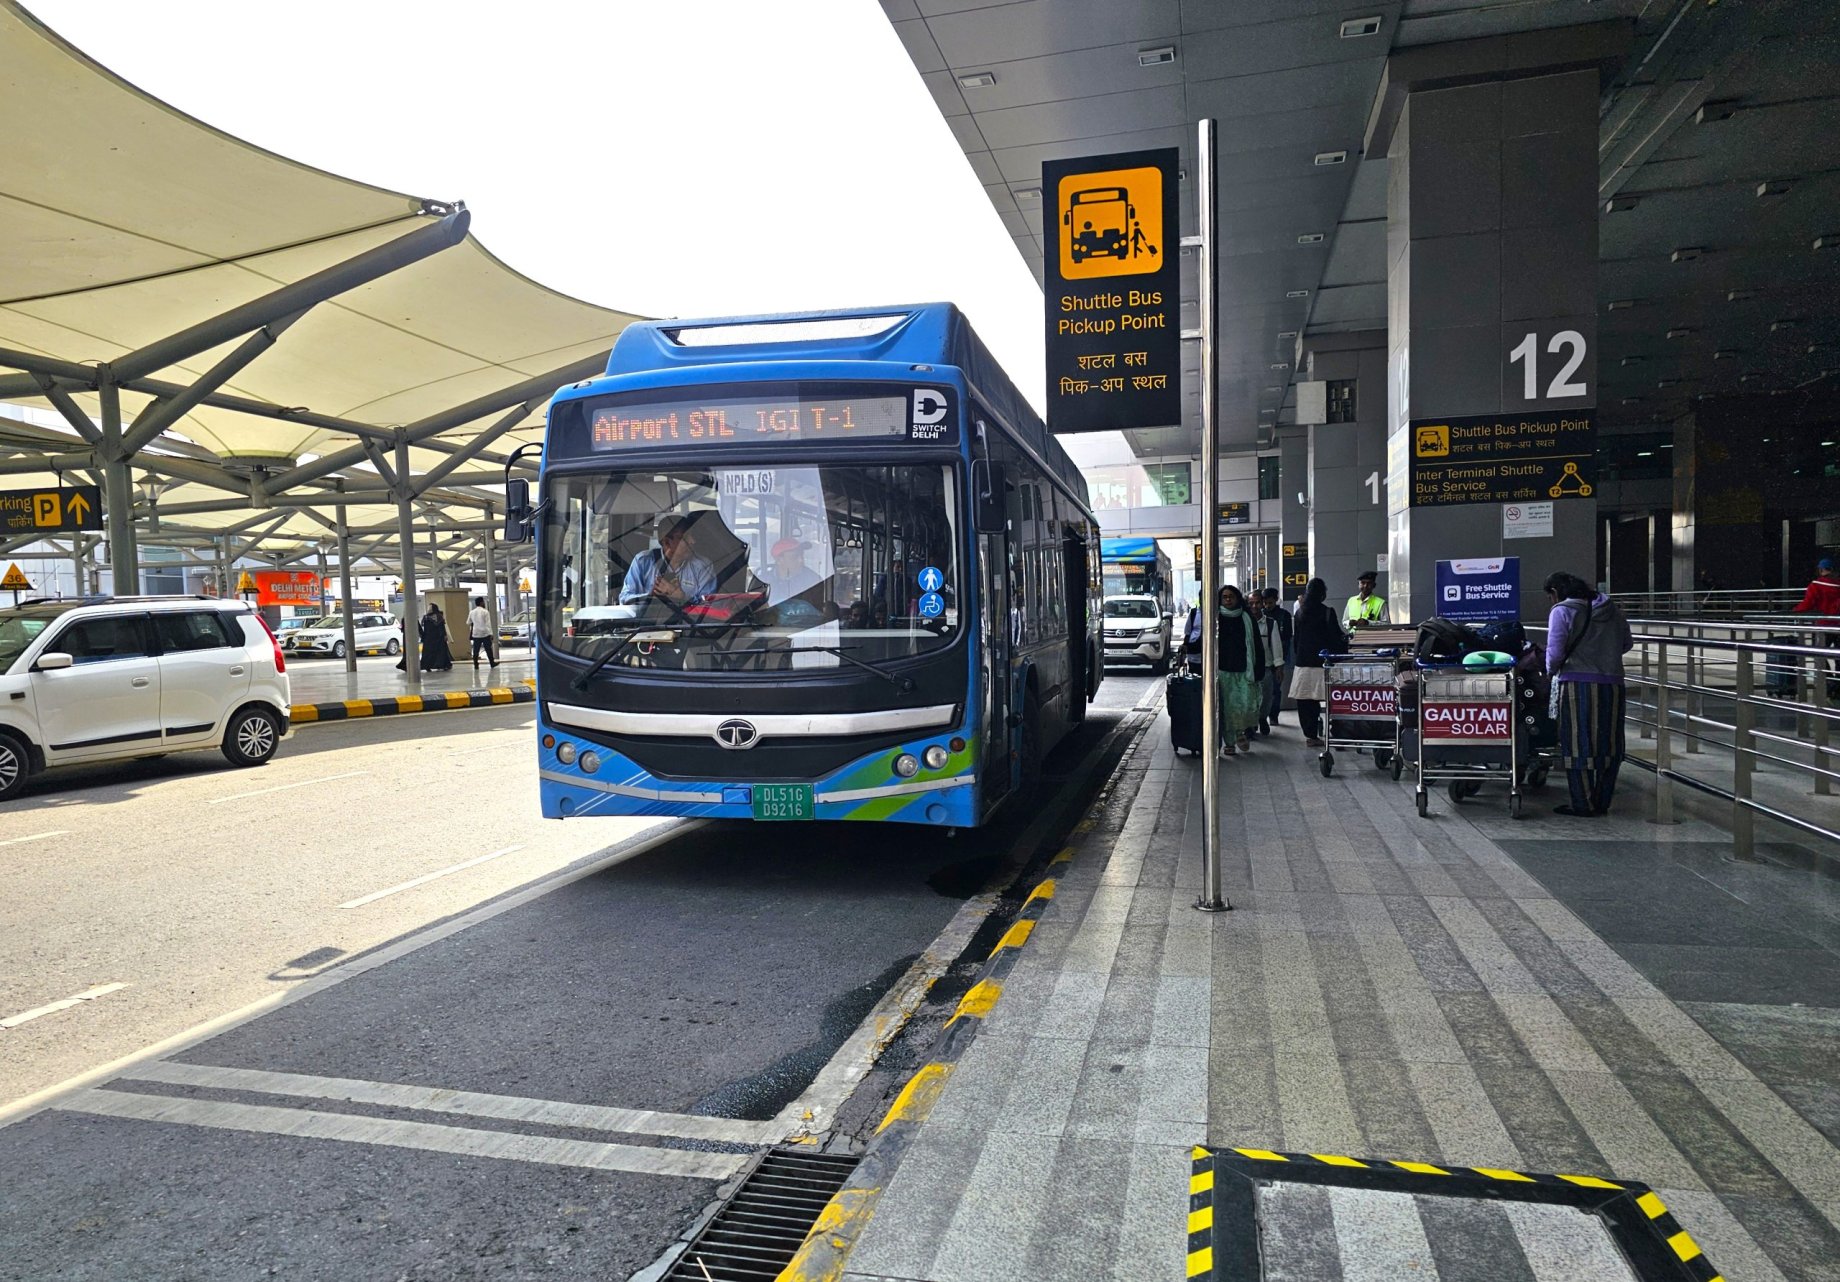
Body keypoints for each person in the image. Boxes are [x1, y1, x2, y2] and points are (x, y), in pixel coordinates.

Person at [1544, 570, 1635, 817]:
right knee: (1609, 743)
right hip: (1613, 684)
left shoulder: (1562, 611)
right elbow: (1627, 644)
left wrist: (1551, 672)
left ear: (1555, 592)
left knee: (1578, 742)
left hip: (1577, 683)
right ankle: (1602, 801)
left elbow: (1555, 653)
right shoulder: (1613, 611)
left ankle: (1582, 803)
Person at [1183, 585, 1265, 756]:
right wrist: (1188, 649)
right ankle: (1230, 741)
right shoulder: (1215, 618)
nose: (1228, 600)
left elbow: (1257, 645)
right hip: (1221, 671)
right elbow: (1203, 642)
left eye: (1231, 597)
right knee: (1225, 709)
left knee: (1242, 706)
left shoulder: (1246, 617)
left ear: (1237, 599)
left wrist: (1259, 669)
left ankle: (1240, 732)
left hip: (1243, 670)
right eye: (1225, 597)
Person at [1290, 579, 1346, 748]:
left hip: (1304, 664)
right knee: (1333, 699)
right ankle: (1337, 733)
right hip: (1324, 663)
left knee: (1306, 701)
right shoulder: (1328, 612)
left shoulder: (1299, 613)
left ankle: (1311, 735)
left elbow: (1296, 639)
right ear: (1323, 594)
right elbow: (1335, 637)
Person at [619, 515, 716, 606]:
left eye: (691, 536)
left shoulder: (703, 566)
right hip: (648, 623)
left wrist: (682, 597)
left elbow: (710, 605)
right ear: (666, 542)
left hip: (687, 622)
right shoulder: (643, 562)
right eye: (685, 538)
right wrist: (650, 597)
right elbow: (625, 598)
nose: (692, 541)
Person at [1790, 556, 1840, 695]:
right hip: (1838, 625)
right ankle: (1838, 684)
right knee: (1838, 655)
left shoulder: (1816, 585)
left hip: (1823, 625)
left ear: (1821, 570)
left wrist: (1795, 611)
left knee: (1819, 655)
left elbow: (1808, 604)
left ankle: (1830, 682)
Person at [1258, 586, 1292, 731]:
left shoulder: (1284, 615)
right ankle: (1260, 717)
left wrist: (1281, 661)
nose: (1267, 606)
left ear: (1276, 600)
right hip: (1263, 659)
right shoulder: (1259, 615)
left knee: (1275, 689)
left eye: (1270, 603)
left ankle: (1273, 715)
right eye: (1264, 603)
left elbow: (1287, 636)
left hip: (1278, 657)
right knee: (1261, 691)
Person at [765, 537, 823, 606]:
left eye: (802, 555)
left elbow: (819, 611)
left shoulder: (813, 581)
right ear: (779, 560)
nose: (801, 560)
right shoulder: (764, 581)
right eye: (794, 557)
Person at [418, 603, 453, 672]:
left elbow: (424, 628)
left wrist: (423, 636)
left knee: (428, 653)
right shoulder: (439, 616)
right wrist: (444, 635)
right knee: (441, 652)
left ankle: (428, 666)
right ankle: (442, 665)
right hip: (437, 638)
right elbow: (441, 628)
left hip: (429, 638)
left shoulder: (426, 617)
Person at [467, 596, 496, 672]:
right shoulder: (485, 612)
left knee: (476, 650)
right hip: (485, 633)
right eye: (483, 602)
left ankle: (476, 664)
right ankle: (492, 663)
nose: (484, 603)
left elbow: (468, 622)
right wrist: (491, 633)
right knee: (488, 649)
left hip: (476, 634)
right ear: (481, 603)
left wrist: (475, 622)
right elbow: (488, 624)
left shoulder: (472, 612)